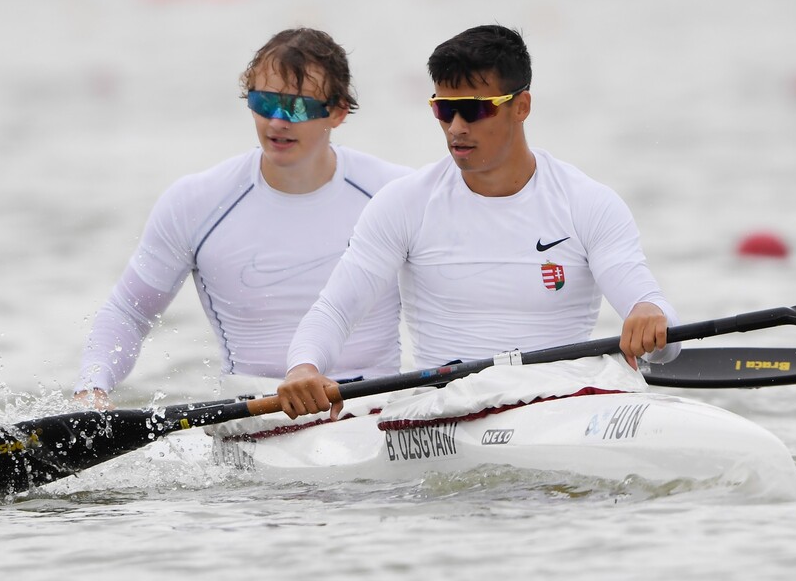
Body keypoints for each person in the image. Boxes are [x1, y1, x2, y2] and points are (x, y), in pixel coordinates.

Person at [277, 24, 680, 420]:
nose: (456, 127)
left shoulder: (588, 204)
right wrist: (304, 367)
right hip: (447, 410)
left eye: (473, 109)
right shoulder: (404, 204)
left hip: (560, 403)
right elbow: (335, 310)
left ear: (521, 106)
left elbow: (657, 325)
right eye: (444, 109)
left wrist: (649, 316)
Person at [73, 28, 410, 407]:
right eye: (264, 103)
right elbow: (129, 313)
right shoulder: (196, 202)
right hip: (256, 416)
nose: (277, 122)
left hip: (376, 409)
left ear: (338, 112)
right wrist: (92, 387)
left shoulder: (395, 193)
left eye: (297, 107)